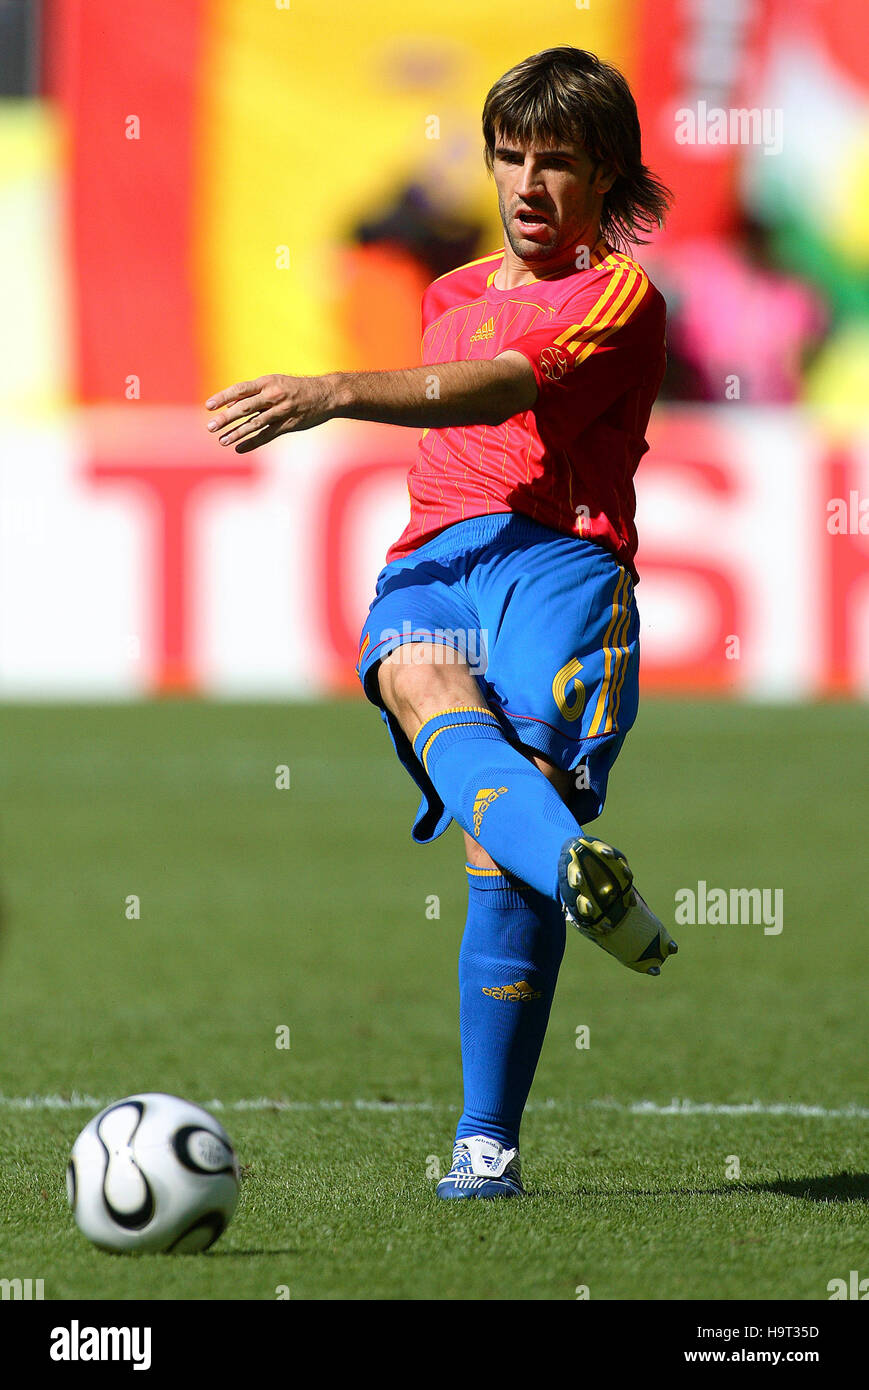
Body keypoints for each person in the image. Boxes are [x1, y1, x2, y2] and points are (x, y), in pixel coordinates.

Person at [205, 47, 678, 1200]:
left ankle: (484, 1145)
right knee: (417, 687)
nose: (524, 184)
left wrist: (331, 390)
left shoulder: (617, 293)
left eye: (554, 162)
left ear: (604, 173)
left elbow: (510, 386)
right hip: (436, 557)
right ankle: (572, 861)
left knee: (492, 854)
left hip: (557, 570)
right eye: (507, 156)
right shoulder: (448, 292)